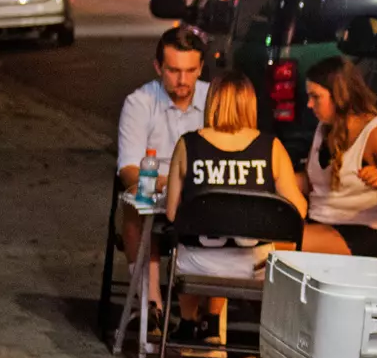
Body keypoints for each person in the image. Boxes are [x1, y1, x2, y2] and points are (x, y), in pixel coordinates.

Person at [164, 71, 307, 339]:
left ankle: (187, 322)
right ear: (250, 104)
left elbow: (172, 213)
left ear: (212, 102)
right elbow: (297, 211)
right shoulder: (271, 147)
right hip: (254, 268)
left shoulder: (188, 144)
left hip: (197, 266)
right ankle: (215, 323)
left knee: (185, 241)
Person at [118, 26, 211, 306]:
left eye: (190, 70)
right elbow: (128, 170)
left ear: (200, 68)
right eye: (173, 71)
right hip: (157, 189)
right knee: (134, 208)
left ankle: (203, 315)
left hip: (201, 195)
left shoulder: (214, 99)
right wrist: (170, 182)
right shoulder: (140, 103)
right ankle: (152, 306)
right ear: (158, 67)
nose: (183, 80)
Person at [299, 56, 377, 257]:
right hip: (324, 224)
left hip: (365, 233)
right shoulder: (324, 128)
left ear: (339, 95)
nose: (309, 104)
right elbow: (315, 183)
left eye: (315, 97)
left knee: (277, 245)